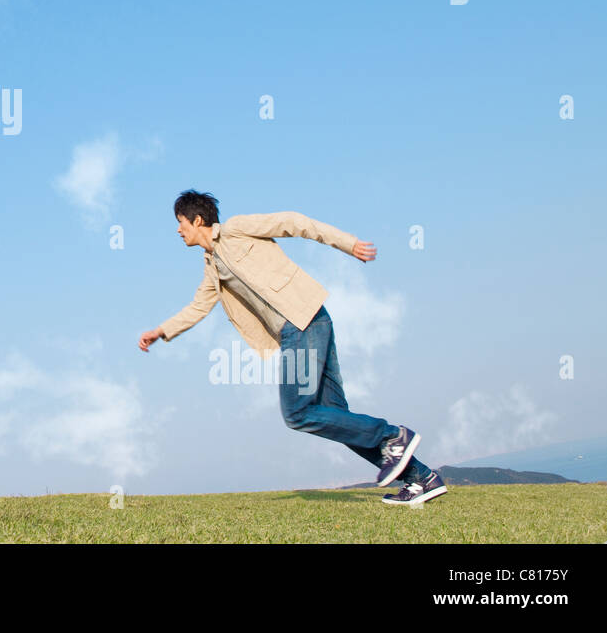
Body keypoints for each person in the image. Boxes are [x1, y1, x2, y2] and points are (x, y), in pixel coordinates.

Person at [138, 190, 447, 505]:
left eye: (181, 223)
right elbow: (198, 307)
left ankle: (391, 435)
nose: (178, 230)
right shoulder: (211, 266)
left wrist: (346, 242)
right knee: (338, 418)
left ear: (197, 220)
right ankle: (422, 478)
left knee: (297, 413)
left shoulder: (237, 229)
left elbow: (293, 222)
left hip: (301, 322)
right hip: (308, 325)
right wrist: (160, 331)